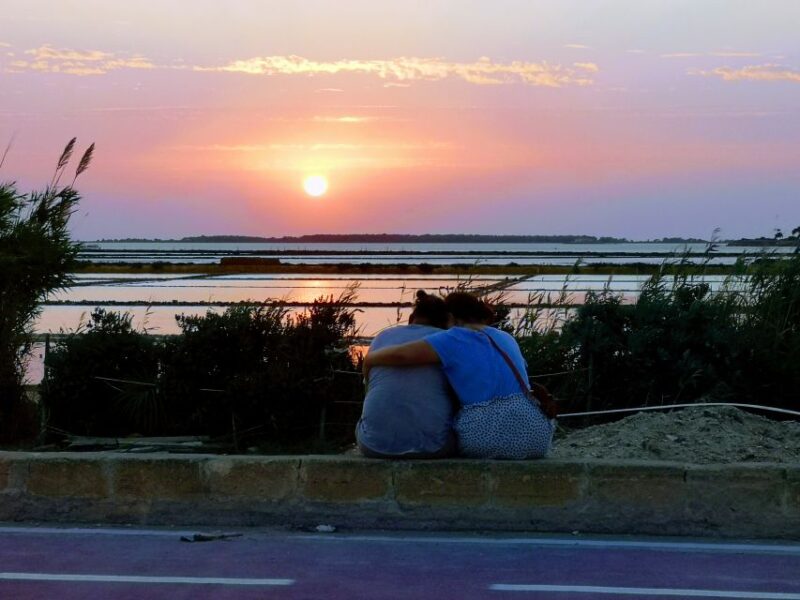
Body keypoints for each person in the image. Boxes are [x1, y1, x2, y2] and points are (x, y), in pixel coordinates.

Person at [363, 292, 554, 459]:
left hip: (484, 437)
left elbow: (401, 355)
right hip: (537, 436)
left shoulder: (451, 338)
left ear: (450, 317)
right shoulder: (506, 337)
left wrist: (369, 359)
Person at [355, 291, 457, 458]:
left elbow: (368, 387)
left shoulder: (383, 336)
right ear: (445, 321)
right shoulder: (446, 340)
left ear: (411, 319)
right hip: (433, 448)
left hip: (372, 445)